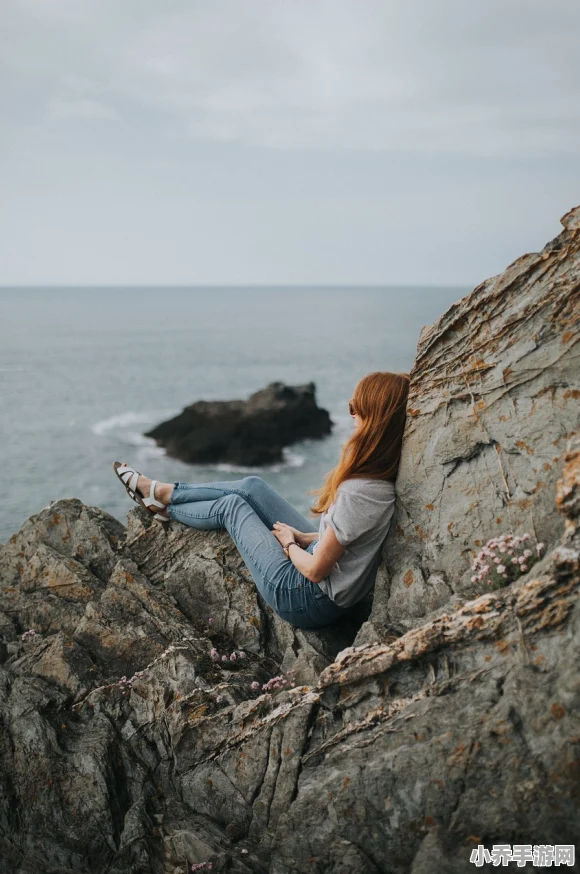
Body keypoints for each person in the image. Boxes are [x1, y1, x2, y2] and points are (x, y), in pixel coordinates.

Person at [113, 371, 410, 629]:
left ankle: (164, 505)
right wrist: (304, 537)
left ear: (374, 418)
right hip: (321, 574)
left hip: (304, 596)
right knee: (252, 486)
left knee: (232, 507)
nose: (350, 413)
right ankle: (163, 491)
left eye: (355, 406)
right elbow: (345, 541)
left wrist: (289, 544)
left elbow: (316, 570)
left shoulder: (359, 492)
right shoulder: (379, 477)